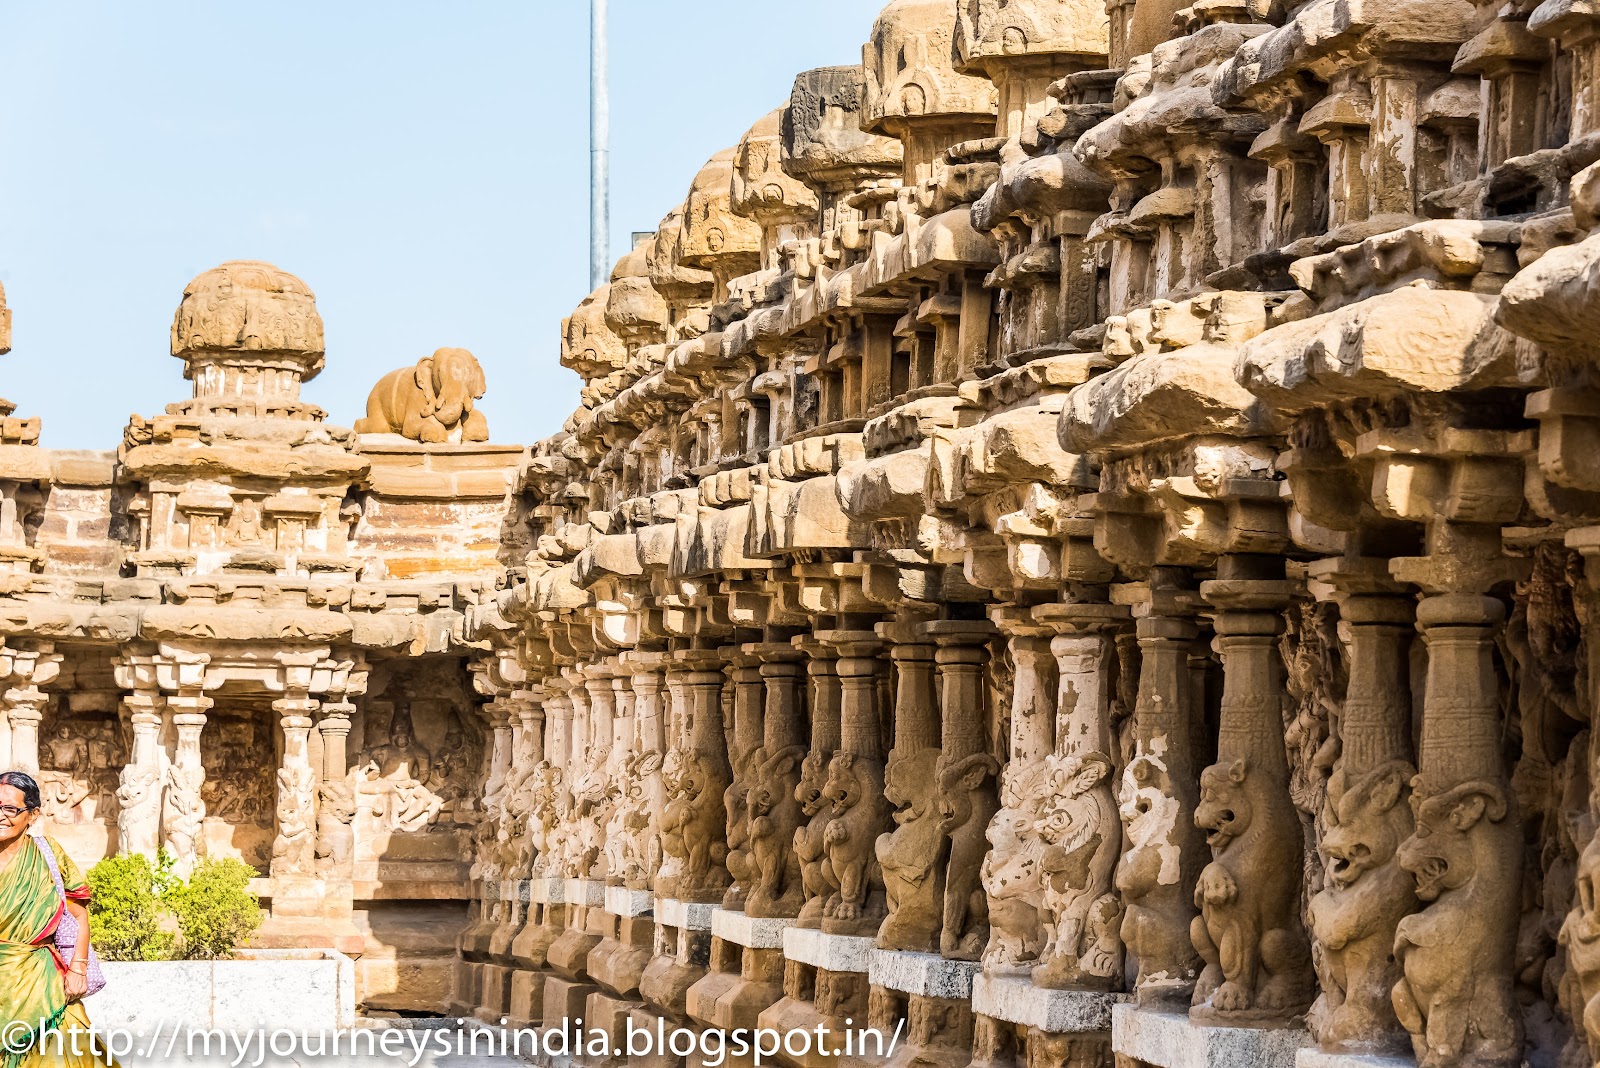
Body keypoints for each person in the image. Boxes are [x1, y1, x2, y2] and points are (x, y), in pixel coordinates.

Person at [0, 770, 116, 1067]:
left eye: (10, 809)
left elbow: (78, 915)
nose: (1, 815)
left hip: (44, 984)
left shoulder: (47, 853)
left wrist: (78, 968)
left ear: (33, 814)